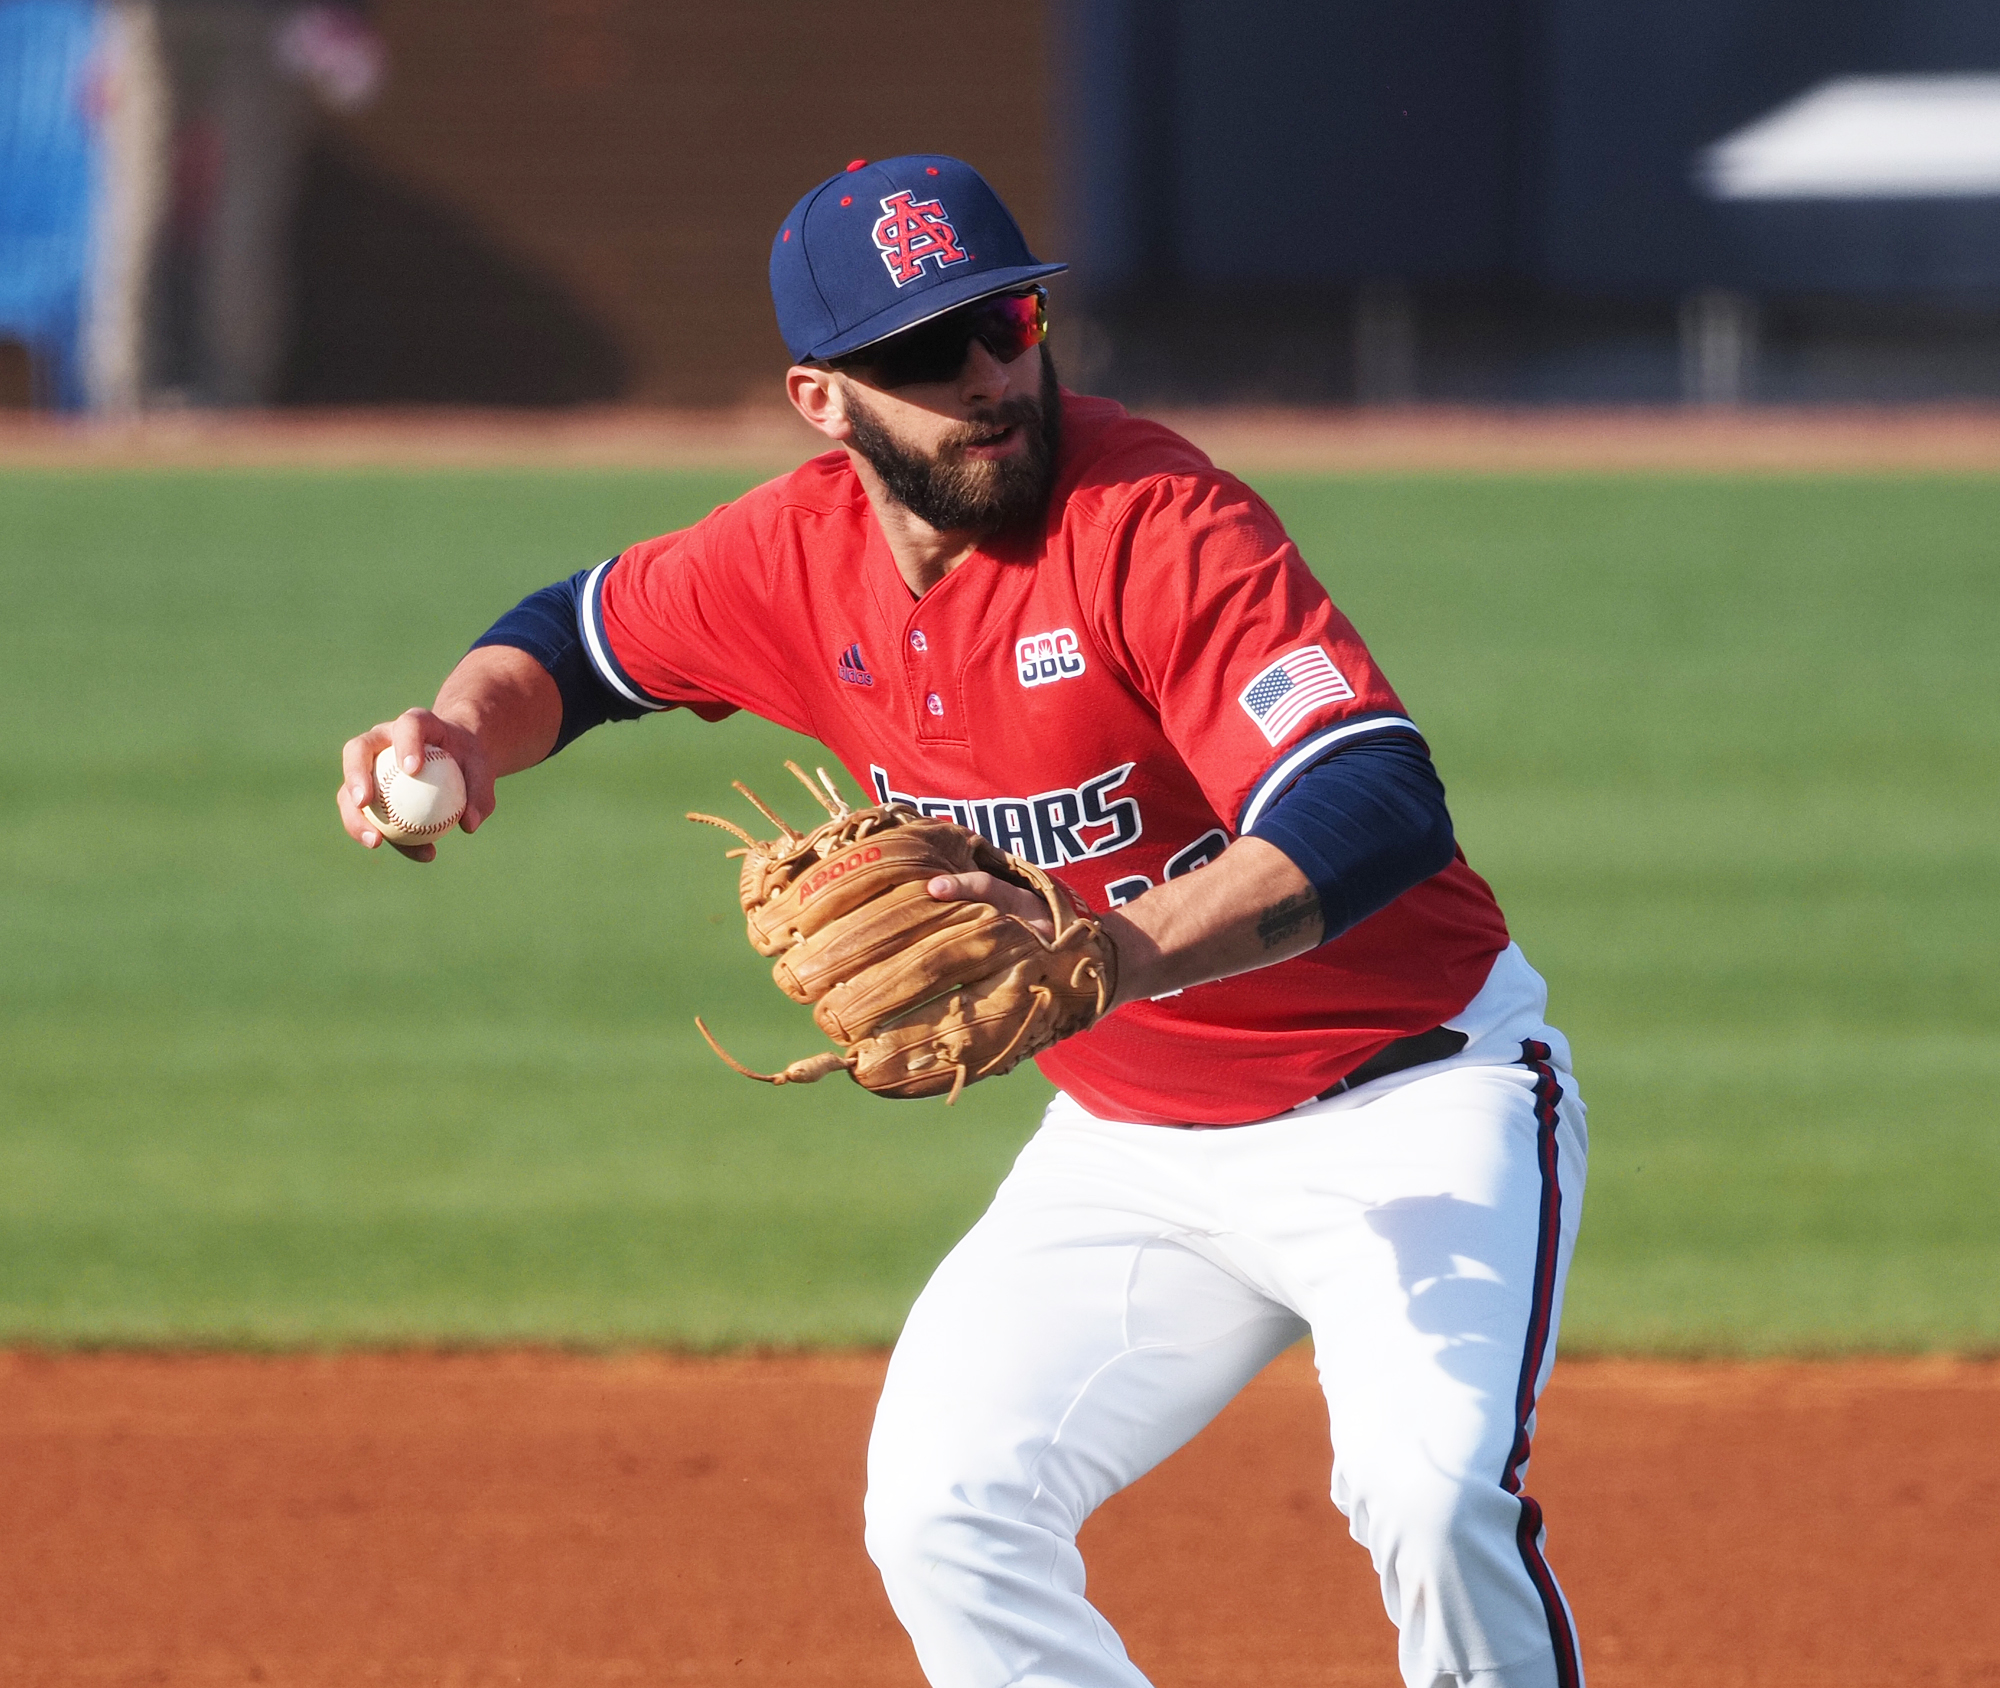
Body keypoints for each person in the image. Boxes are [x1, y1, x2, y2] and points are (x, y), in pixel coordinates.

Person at [337, 154, 1588, 1688]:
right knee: (943, 1512)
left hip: (1408, 1100)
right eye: (931, 349)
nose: (992, 377)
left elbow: (1373, 797)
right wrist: (462, 733)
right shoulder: (788, 564)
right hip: (1132, 1150)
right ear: (823, 400)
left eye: (1012, 322)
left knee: (1430, 1493)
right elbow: (571, 643)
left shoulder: (1156, 518)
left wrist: (1111, 955)